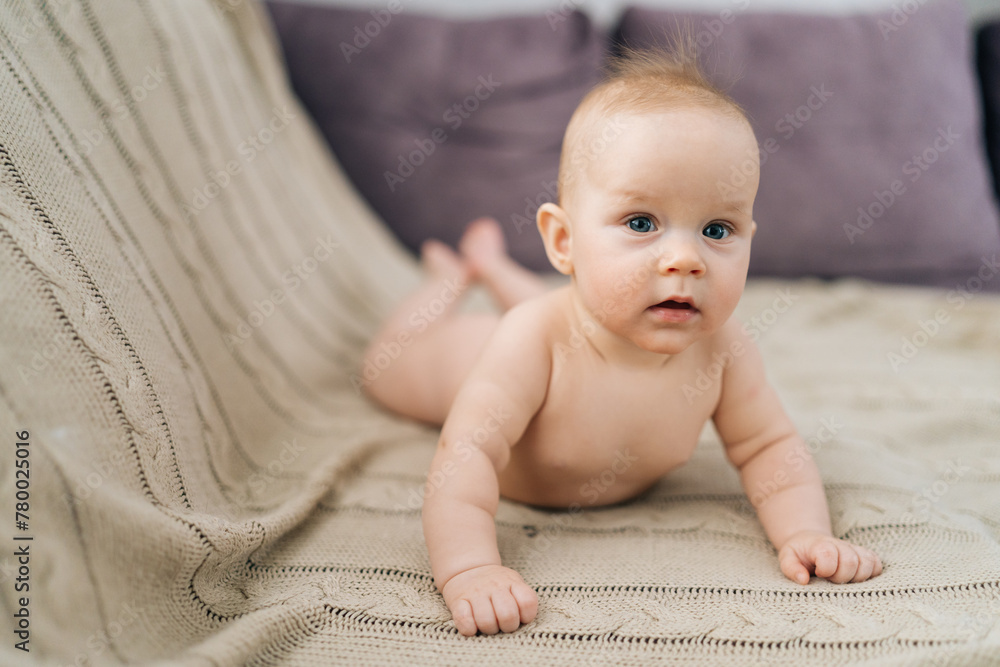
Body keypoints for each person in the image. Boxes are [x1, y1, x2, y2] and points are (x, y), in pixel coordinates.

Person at [360, 47, 883, 637]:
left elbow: (770, 449)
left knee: (590, 299)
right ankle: (450, 279)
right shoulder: (529, 339)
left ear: (750, 238)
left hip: (569, 310)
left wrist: (806, 532)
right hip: (461, 356)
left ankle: (497, 268)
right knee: (386, 366)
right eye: (641, 223)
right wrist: (470, 570)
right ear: (563, 240)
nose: (686, 258)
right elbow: (466, 456)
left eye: (718, 230)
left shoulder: (724, 349)